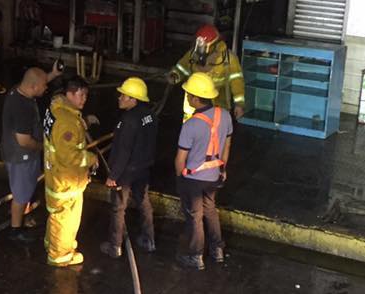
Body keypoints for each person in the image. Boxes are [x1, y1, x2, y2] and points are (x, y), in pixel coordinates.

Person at [174, 72, 233, 270]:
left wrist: (179, 176)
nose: (188, 98)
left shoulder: (190, 125)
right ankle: (217, 250)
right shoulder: (224, 115)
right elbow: (227, 145)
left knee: (194, 216)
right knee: (211, 211)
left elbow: (180, 159)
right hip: (214, 175)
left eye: (189, 95)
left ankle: (195, 256)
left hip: (193, 178)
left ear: (196, 98)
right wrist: (222, 167)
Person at [43, 74, 98, 267]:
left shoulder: (57, 109)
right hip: (66, 181)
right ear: (69, 94)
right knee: (66, 220)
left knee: (56, 215)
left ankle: (52, 243)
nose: (84, 100)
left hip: (55, 176)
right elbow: (69, 156)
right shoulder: (66, 121)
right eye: (81, 95)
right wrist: (91, 158)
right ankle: (60, 255)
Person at [0, 64, 59, 241]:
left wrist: (53, 73)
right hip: (21, 156)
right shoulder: (22, 108)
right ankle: (16, 229)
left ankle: (22, 214)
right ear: (33, 87)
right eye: (43, 86)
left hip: (17, 153)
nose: (46, 87)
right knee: (21, 194)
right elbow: (24, 141)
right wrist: (44, 147)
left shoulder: (19, 91)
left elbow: (38, 81)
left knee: (24, 189)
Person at [100, 77, 157, 259]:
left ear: (134, 99)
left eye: (124, 95)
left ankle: (114, 245)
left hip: (126, 172)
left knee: (118, 207)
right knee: (143, 202)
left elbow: (123, 151)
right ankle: (149, 240)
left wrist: (113, 175)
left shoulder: (128, 121)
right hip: (144, 168)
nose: (120, 98)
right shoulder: (150, 116)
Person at [168, 24, 245, 121]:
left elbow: (237, 81)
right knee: (191, 132)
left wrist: (239, 104)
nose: (200, 48)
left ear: (214, 44)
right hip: (193, 106)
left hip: (217, 107)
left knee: (214, 134)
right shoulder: (193, 54)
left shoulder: (228, 59)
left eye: (204, 45)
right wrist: (175, 75)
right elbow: (182, 67)